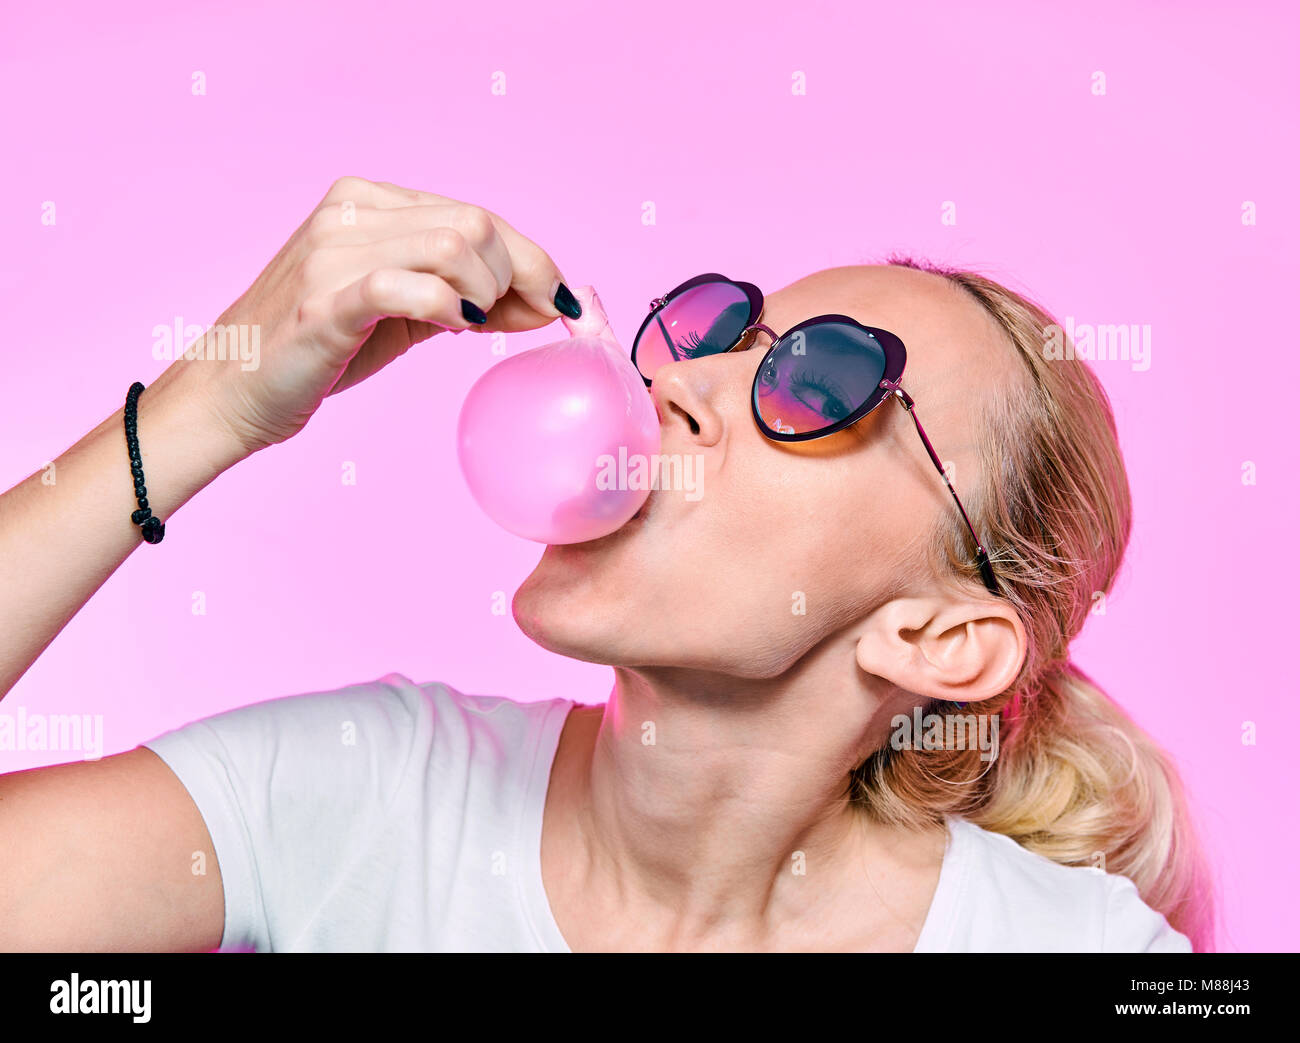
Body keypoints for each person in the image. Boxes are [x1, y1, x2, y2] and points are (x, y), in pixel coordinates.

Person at [0, 177, 1213, 952]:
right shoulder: (363, 794)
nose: (672, 383)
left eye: (821, 381)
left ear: (940, 636)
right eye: (710, 333)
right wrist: (209, 404)